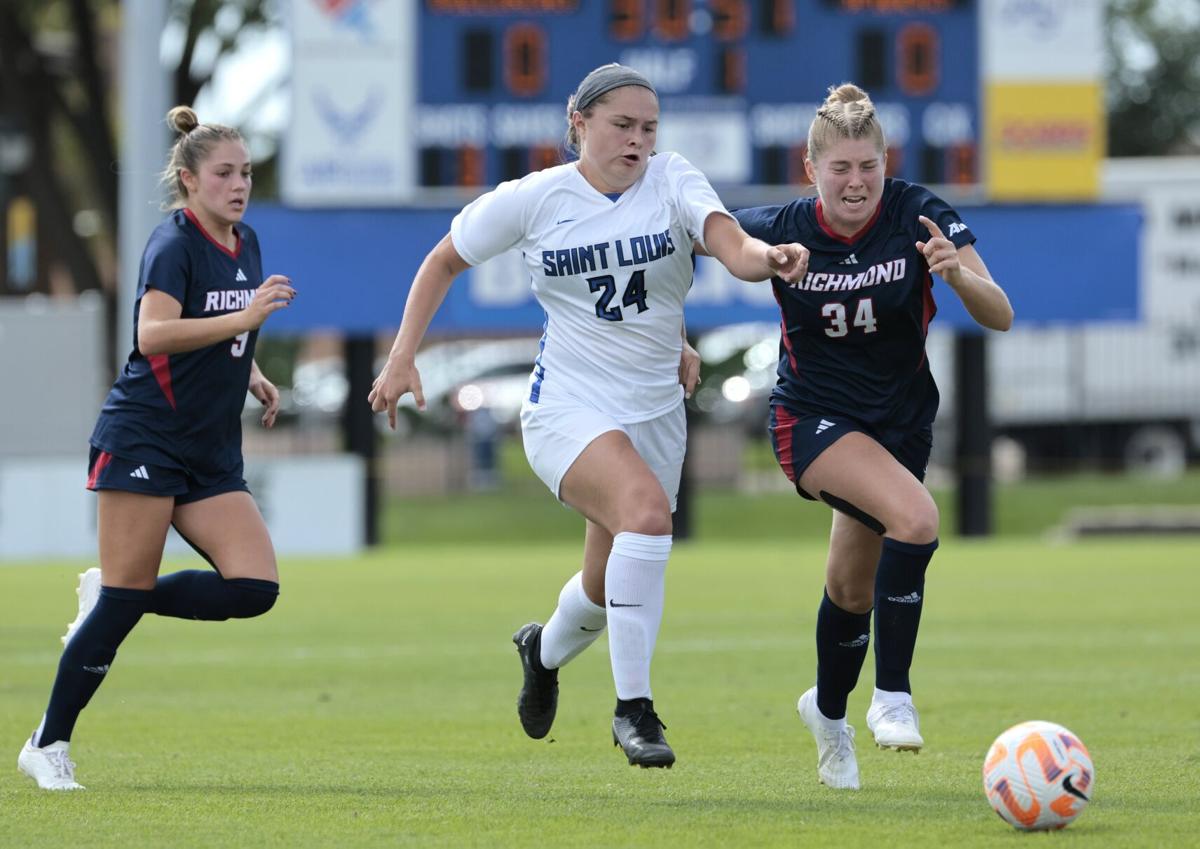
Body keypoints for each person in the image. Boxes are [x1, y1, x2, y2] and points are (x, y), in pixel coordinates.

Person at [370, 64, 808, 768]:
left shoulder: (672, 178)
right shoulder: (537, 198)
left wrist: (768, 258)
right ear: (579, 123)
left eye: (648, 127)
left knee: (607, 587)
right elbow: (442, 261)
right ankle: (634, 709)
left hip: (655, 411)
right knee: (645, 515)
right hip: (566, 407)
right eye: (621, 125)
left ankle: (540, 651)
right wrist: (401, 358)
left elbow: (728, 241)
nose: (637, 139)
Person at [733, 83, 1013, 790]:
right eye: (841, 169)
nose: (856, 182)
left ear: (887, 163)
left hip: (900, 422)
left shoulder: (918, 213)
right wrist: (689, 324)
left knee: (851, 588)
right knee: (916, 519)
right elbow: (697, 246)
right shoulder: (784, 225)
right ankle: (893, 695)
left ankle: (827, 716)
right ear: (811, 170)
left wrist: (956, 274)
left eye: (869, 166)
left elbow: (999, 311)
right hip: (813, 417)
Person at [17, 106, 296, 791]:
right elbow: (153, 334)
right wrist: (247, 319)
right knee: (125, 594)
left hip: (208, 449)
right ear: (189, 179)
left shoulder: (246, 240)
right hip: (145, 434)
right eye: (225, 173)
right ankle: (47, 743)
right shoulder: (172, 244)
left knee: (254, 587)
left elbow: (223, 329)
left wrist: (251, 368)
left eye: (247, 172)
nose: (239, 185)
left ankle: (111, 595)